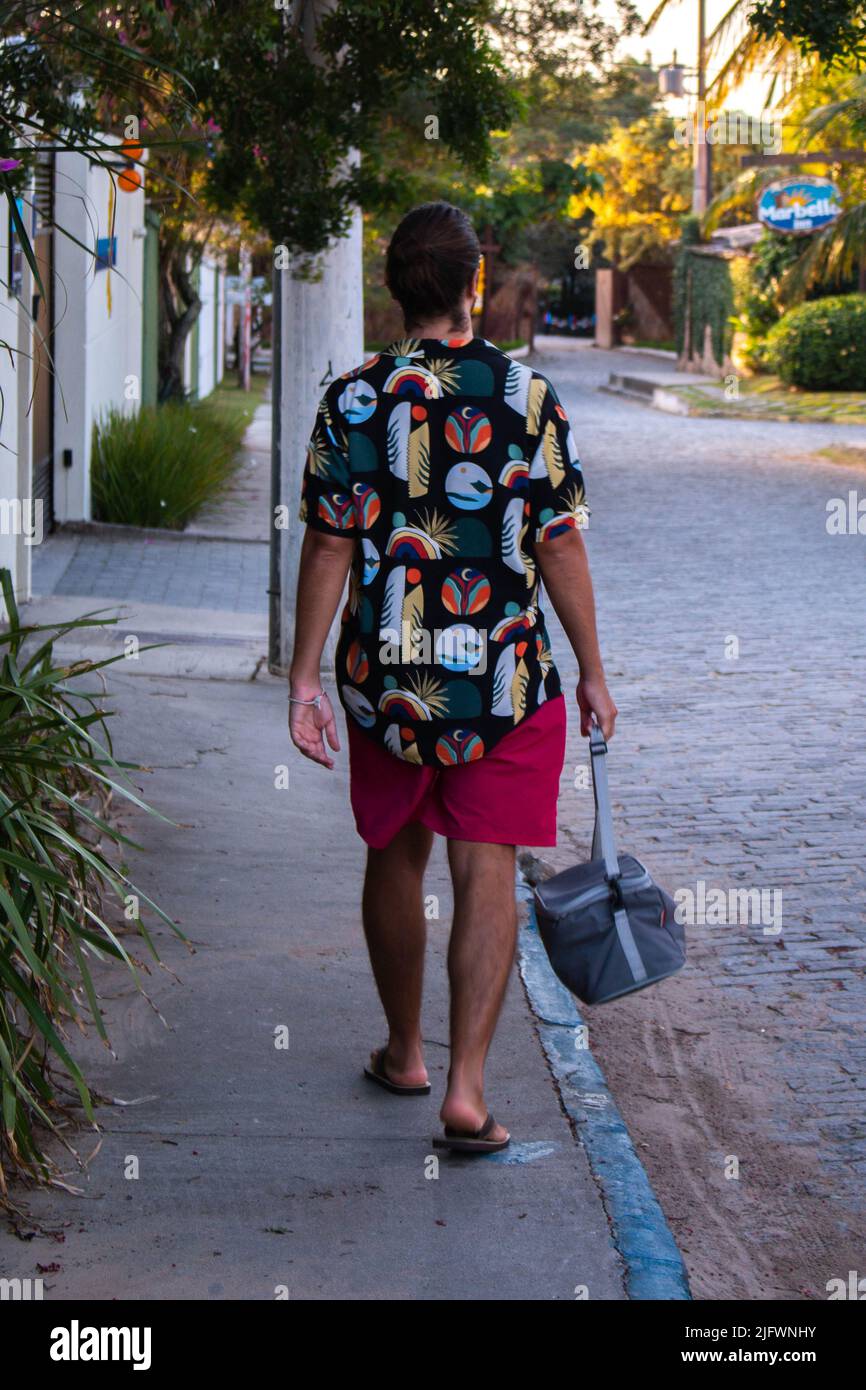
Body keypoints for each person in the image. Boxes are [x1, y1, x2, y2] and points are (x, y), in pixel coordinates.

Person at [289, 201, 616, 1154]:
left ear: (395, 290)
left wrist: (305, 680)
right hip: (506, 678)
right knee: (489, 871)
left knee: (393, 850)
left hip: (389, 677)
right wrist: (592, 671)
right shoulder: (528, 398)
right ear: (474, 285)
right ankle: (467, 1091)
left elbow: (326, 544)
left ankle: (404, 1051)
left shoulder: (353, 399)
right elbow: (557, 545)